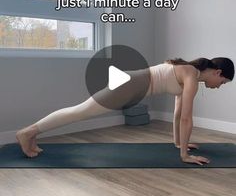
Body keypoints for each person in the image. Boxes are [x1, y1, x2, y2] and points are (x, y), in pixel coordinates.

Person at [16, 57, 234, 165]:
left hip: (131, 82)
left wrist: (179, 144)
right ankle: (28, 132)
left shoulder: (190, 73)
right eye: (223, 82)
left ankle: (32, 134)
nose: (219, 86)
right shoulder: (191, 75)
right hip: (130, 85)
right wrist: (185, 155)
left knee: (79, 111)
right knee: (80, 112)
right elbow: (187, 118)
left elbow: (178, 114)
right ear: (217, 72)